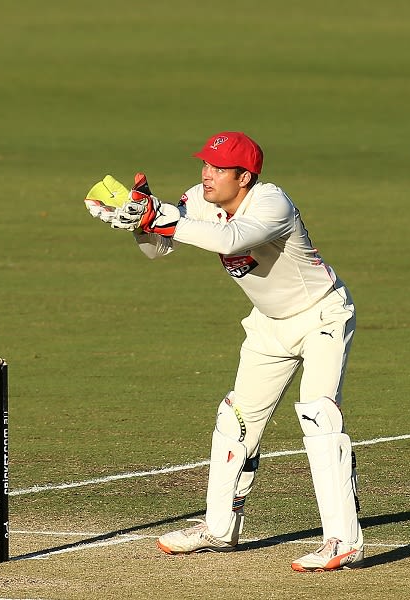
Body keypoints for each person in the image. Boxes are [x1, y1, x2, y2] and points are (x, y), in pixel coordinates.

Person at [83, 132, 363, 572]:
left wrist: (159, 217)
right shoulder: (198, 198)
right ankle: (219, 529)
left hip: (321, 315)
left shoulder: (273, 204)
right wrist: (137, 222)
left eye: (218, 168)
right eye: (206, 165)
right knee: (235, 420)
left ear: (245, 176)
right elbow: (158, 249)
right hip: (269, 325)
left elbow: (231, 240)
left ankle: (342, 540)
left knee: (318, 414)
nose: (207, 174)